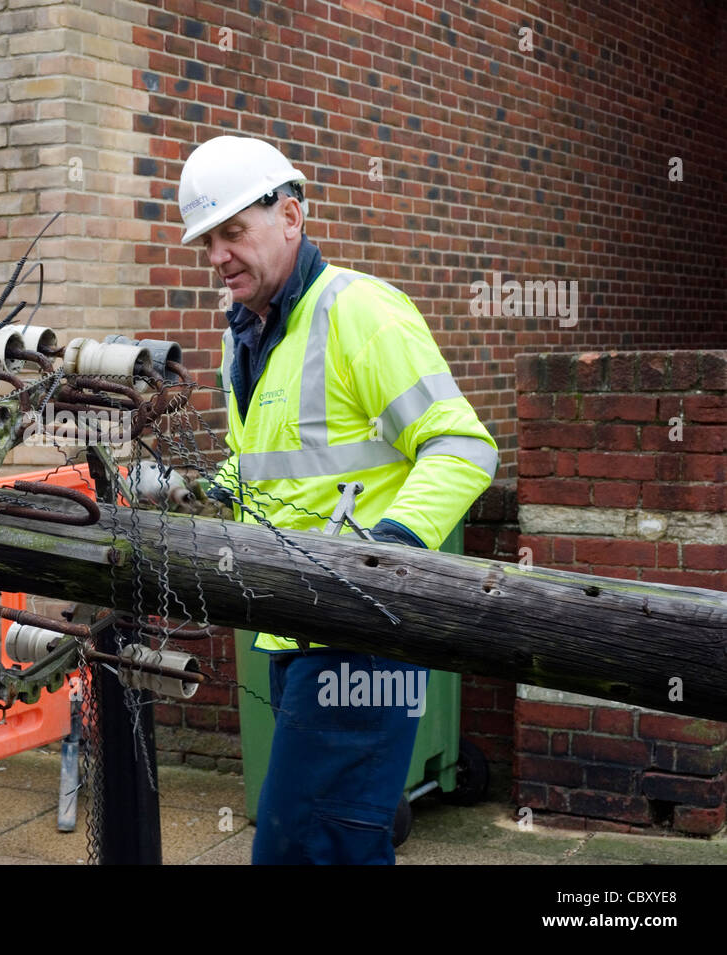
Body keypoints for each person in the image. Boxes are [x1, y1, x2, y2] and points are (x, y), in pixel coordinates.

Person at [176, 135, 498, 864]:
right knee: (333, 844)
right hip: (292, 631)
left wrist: (384, 556)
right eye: (208, 241)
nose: (218, 255)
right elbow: (263, 468)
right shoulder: (246, 336)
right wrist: (200, 492)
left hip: (361, 639)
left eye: (233, 232)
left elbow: (463, 447)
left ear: (290, 216)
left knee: (301, 850)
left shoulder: (361, 312)